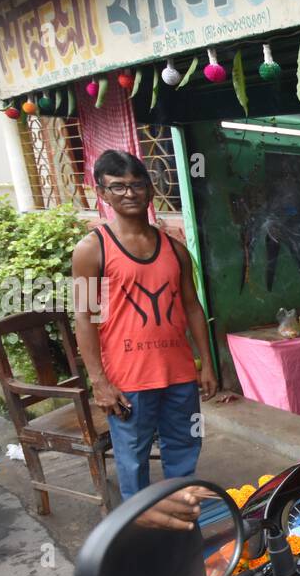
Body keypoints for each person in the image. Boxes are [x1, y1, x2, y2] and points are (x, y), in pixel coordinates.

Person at [72, 149, 218, 501]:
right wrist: (99, 383)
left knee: (184, 454)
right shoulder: (90, 250)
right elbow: (84, 317)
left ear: (150, 190)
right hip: (128, 380)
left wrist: (208, 364)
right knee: (133, 463)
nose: (129, 193)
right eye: (118, 187)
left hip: (179, 375)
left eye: (137, 185)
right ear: (102, 194)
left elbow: (192, 308)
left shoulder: (175, 248)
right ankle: (138, 535)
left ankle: (182, 525)